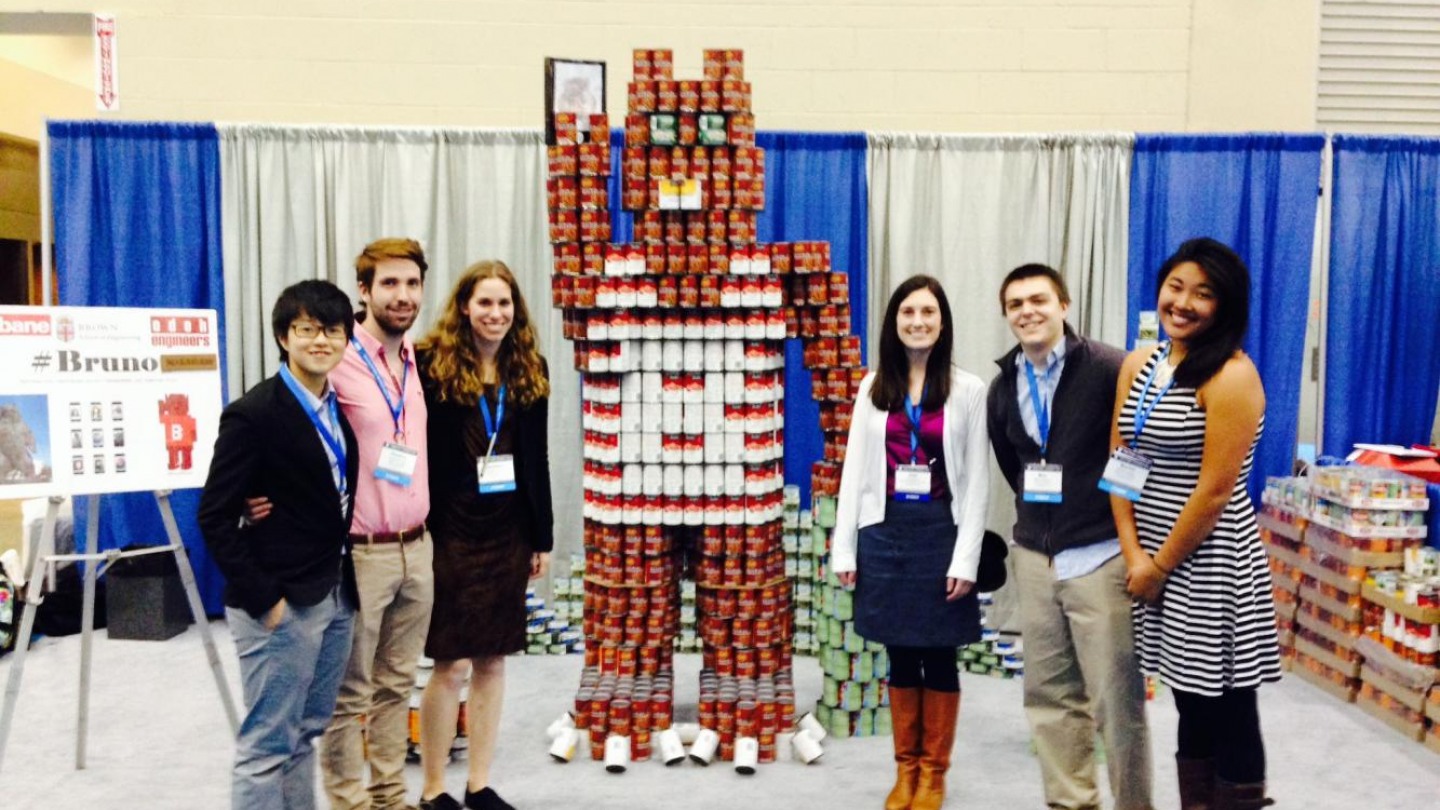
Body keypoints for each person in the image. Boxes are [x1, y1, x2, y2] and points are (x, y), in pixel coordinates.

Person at [1106, 238, 1280, 810]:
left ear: (1225, 306)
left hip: (1210, 562)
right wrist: (1135, 555)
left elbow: (1214, 492)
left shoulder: (1232, 375)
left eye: (1202, 294)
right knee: (1190, 697)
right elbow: (1120, 462)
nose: (1182, 303)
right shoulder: (1140, 365)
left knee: (1228, 703)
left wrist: (1158, 566)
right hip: (1152, 557)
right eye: (1175, 287)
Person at [987, 264, 1153, 810]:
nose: (1027, 311)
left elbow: (1137, 453)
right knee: (1049, 696)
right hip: (1035, 557)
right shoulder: (1004, 384)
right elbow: (1013, 463)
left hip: (1100, 554)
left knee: (1116, 701)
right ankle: (1070, 802)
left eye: (1038, 299)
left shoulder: (1110, 368)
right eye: (1015, 304)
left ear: (1064, 304)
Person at [198, 280, 360, 810]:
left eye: (332, 330)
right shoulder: (254, 413)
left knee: (306, 731)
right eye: (307, 329)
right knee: (268, 742)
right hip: (280, 600)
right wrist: (266, 598)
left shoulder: (334, 407)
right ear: (284, 337)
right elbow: (214, 516)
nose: (320, 340)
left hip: (333, 591)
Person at [831, 274, 989, 810]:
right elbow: (854, 470)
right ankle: (906, 770)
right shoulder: (873, 386)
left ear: (943, 323)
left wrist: (966, 558)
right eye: (908, 312)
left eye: (928, 312)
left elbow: (978, 482)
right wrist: (845, 546)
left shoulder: (968, 390)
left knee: (939, 654)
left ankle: (934, 773)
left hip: (941, 533)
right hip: (884, 531)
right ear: (894, 322)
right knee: (899, 653)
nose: (917, 322)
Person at [415, 260, 553, 810]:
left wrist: (541, 536)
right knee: (449, 663)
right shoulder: (432, 364)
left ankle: (478, 784)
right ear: (465, 307)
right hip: (450, 528)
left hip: (507, 532)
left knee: (493, 659)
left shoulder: (530, 367)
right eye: (485, 303)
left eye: (504, 303)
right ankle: (433, 788)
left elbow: (537, 458)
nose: (495, 313)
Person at [319, 238, 434, 810]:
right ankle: (349, 801)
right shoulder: (336, 360)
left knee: (396, 686)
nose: (402, 295)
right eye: (389, 283)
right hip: (362, 552)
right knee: (349, 693)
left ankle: (390, 797)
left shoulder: (414, 357)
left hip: (418, 548)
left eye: (411, 283)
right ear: (363, 291)